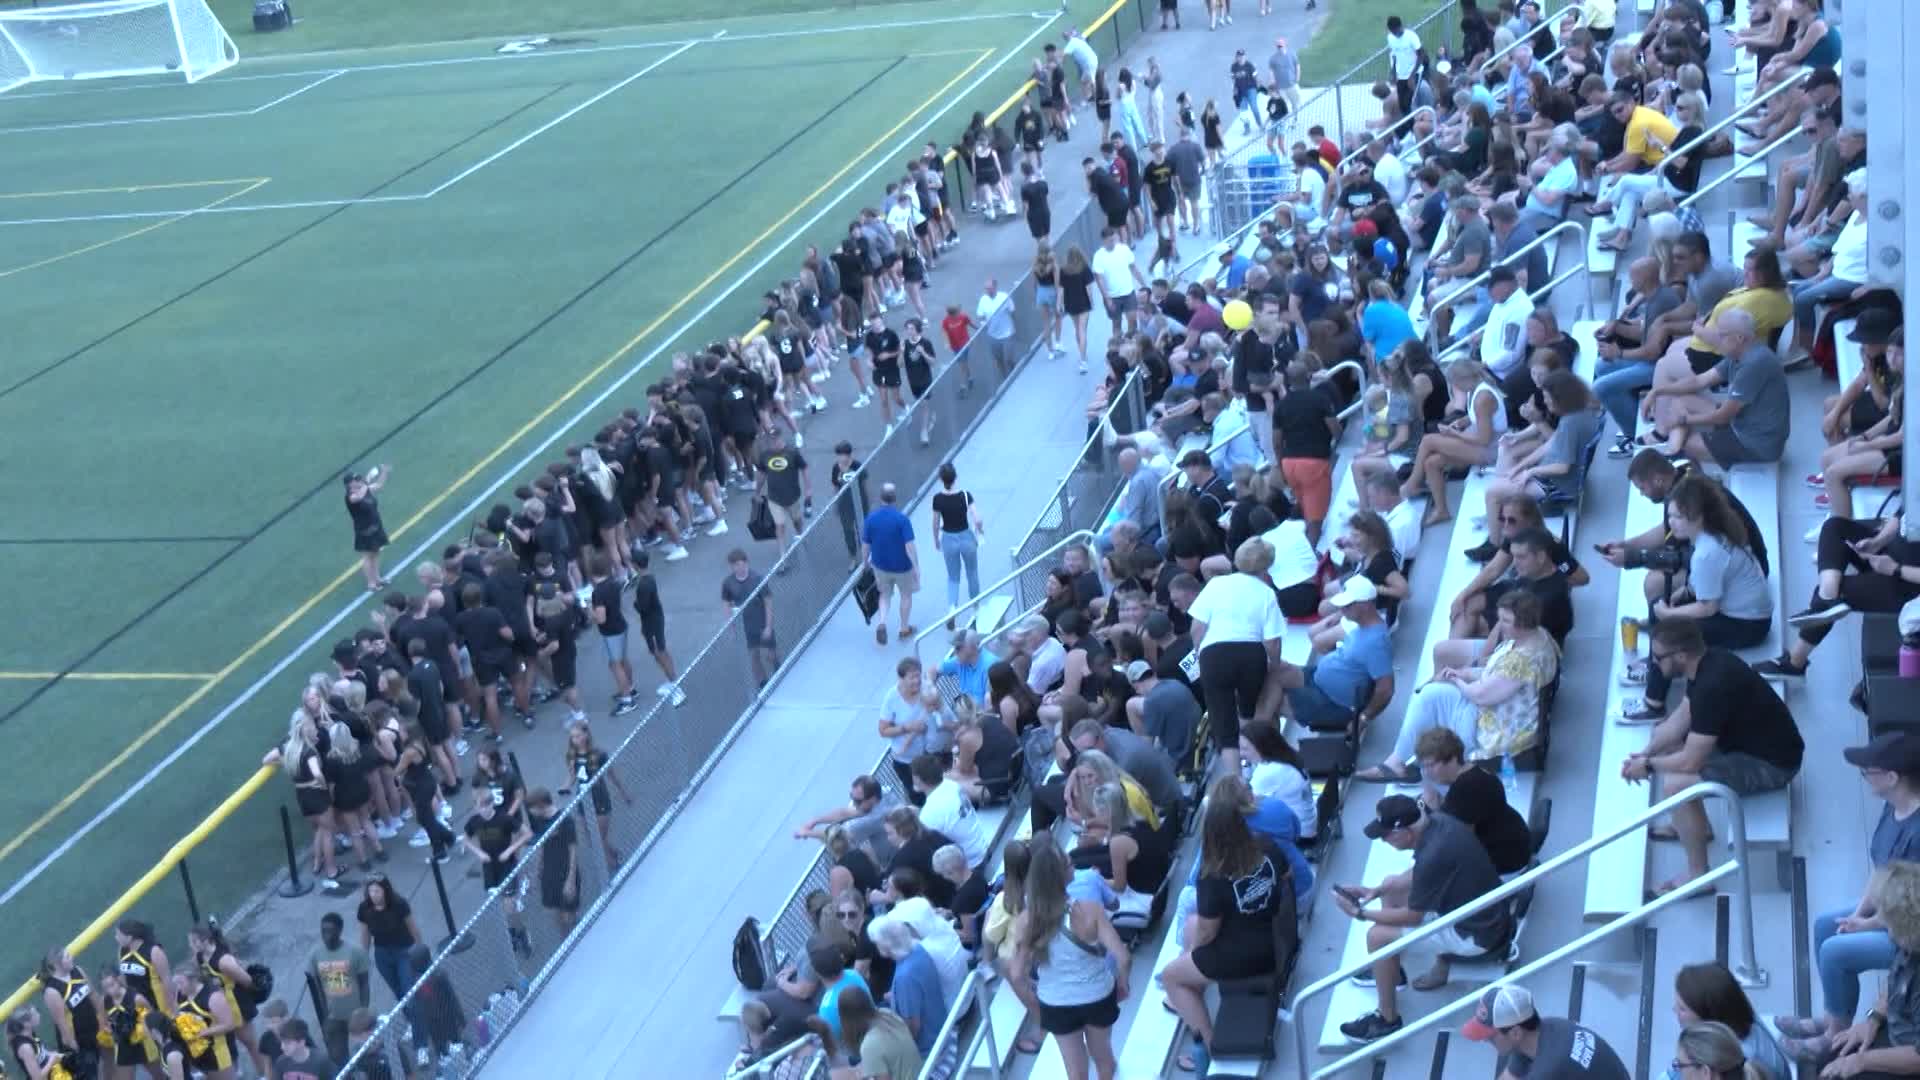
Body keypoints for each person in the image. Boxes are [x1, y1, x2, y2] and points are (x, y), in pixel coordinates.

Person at [1620, 619, 1803, 895]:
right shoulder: (1708, 661)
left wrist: (1647, 766)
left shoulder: (1712, 687)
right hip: (1743, 744)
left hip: (1772, 764)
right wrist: (1645, 754)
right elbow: (1678, 721)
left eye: (1657, 657)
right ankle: (1697, 827)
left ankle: (1698, 877)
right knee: (1667, 743)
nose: (1653, 664)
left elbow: (1690, 762)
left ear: (1680, 655)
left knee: (1675, 787)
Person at [1775, 735, 1920, 1056]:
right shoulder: (1893, 807)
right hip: (1891, 908)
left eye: (1868, 771)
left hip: (1909, 928)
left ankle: (1834, 1037)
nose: (1864, 776)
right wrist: (1858, 913)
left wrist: (1868, 925)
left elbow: (1911, 907)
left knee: (1836, 952)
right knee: (1826, 924)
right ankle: (1832, 1019)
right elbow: (1881, 871)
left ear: (1893, 778)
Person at [1336, 796, 1514, 1041]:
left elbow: (1412, 916)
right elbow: (1421, 871)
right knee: (1391, 883)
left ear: (1405, 832)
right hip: (1487, 912)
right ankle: (1391, 969)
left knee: (1376, 936)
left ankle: (1387, 1018)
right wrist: (1375, 891)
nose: (1383, 840)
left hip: (1477, 934)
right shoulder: (1438, 822)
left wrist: (1360, 913)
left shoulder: (1433, 854)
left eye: (1386, 835)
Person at [1361, 590, 1559, 784]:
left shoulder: (1522, 660)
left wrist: (1457, 680)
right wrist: (1463, 673)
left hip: (1495, 731)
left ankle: (1404, 763)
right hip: (1501, 711)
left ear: (1523, 623)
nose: (1500, 626)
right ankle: (1404, 761)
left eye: (1506, 621)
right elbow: (1498, 676)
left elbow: (1480, 695)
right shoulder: (1538, 637)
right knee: (1434, 694)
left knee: (1432, 696)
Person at [1161, 784, 1290, 1075]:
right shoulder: (1266, 845)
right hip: (1273, 934)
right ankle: (1196, 979)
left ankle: (1209, 1046)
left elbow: (1208, 933)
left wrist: (1196, 952)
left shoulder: (1214, 873)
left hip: (1245, 955)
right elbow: (1287, 877)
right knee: (1192, 926)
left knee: (1172, 976)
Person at [1623, 476, 1773, 722]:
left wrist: (1670, 614)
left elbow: (1708, 607)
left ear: (1698, 517)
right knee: (1661, 604)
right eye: (1670, 516)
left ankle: (1653, 704)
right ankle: (1655, 663)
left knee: (1668, 634)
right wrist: (1678, 598)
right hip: (1736, 610)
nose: (1671, 523)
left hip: (1748, 625)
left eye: (1678, 517)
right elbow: (1702, 586)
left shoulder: (1707, 552)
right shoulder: (1712, 533)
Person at [1009, 835, 1128, 1080]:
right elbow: (1123, 957)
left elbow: (1017, 974)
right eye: (1069, 864)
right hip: (1097, 995)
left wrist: (1038, 999)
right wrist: (1123, 982)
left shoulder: (1026, 920)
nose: (1073, 866)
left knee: (1075, 1072)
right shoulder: (1089, 910)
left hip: (1056, 1003)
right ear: (1060, 876)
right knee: (1104, 1061)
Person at [1758, 512, 1920, 681]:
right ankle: (1828, 598)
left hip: (1907, 582)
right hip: (1893, 553)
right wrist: (1876, 542)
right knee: (1834, 526)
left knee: (1842, 591)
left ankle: (1795, 662)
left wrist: (1895, 569)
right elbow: (1902, 512)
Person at [1186, 537, 1287, 777]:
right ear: (1266, 567)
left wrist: (1198, 653)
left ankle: (1235, 779)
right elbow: (1272, 641)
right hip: (1250, 655)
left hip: (1214, 655)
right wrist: (1274, 666)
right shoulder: (1266, 593)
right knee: (1248, 712)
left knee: (1222, 720)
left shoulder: (1216, 585)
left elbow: (1196, 628)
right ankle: (1255, 764)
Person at [1275, 577, 1396, 733]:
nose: (1342, 609)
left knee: (1269, 697)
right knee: (1274, 669)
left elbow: (1386, 689)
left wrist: (1364, 718)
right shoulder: (1362, 628)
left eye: (1347, 605)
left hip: (1331, 703)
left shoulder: (1376, 643)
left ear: (1365, 605)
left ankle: (1263, 748)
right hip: (1317, 680)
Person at [1412, 728, 1533, 875]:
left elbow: (1450, 838)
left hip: (1507, 859)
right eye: (1423, 766)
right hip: (1517, 841)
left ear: (1453, 759)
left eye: (1431, 765)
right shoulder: (1474, 770)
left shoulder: (1466, 788)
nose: (1426, 772)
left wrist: (1429, 797)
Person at [1459, 984, 1631, 1078]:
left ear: (1516, 1033)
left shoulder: (1548, 1069)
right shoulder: (1547, 1028)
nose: (1485, 1040)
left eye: (1491, 1037)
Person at [1659, 965, 1790, 1080]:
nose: (1674, 1010)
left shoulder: (1737, 1059)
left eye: (1682, 1008)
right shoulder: (1740, 1018)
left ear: (1708, 1015)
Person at [862, 484, 920, 645]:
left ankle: (882, 622)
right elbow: (909, 546)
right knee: (905, 595)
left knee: (884, 595)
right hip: (902, 566)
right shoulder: (902, 520)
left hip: (880, 565)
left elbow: (865, 545)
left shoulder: (871, 519)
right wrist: (916, 566)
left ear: (880, 498)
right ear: (895, 498)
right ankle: (904, 628)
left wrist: (864, 562)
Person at [308, 913, 368, 1062]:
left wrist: (363, 1011)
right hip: (332, 1017)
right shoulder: (315, 955)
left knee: (365, 1055)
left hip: (355, 1014)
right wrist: (324, 1016)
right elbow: (317, 988)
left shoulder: (355, 952)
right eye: (323, 931)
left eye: (330, 931)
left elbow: (364, 984)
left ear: (340, 930)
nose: (326, 935)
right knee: (337, 1057)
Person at [930, 462, 985, 621]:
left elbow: (935, 523)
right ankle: (976, 608)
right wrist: (979, 530)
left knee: (953, 576)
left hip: (948, 538)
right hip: (966, 537)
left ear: (941, 479)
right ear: (955, 477)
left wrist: (936, 540)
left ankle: (952, 608)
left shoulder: (937, 499)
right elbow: (978, 519)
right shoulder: (965, 495)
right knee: (972, 573)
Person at [721, 548, 780, 689]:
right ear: (731, 566)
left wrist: (768, 626)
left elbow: (768, 602)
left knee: (770, 654)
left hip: (761, 622)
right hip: (746, 627)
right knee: (754, 656)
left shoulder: (758, 579)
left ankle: (779, 670)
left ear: (746, 563)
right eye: (735, 565)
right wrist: (731, 627)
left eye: (741, 564)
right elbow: (726, 604)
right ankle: (763, 685)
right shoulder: (728, 583)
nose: (738, 568)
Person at [756, 427, 810, 556]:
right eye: (771, 439)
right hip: (774, 497)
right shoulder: (765, 455)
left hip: (792, 495)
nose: (773, 442)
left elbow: (804, 468)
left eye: (776, 438)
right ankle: (782, 556)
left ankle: (800, 534)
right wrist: (757, 492)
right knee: (779, 525)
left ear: (781, 437)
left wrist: (808, 489)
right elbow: (761, 474)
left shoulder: (792, 452)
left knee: (796, 519)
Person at [345, 466, 392, 592]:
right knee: (367, 556)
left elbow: (379, 485)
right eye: (355, 480)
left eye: (358, 479)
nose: (358, 481)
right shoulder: (351, 497)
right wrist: (365, 485)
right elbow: (358, 498)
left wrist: (384, 472)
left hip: (375, 526)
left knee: (376, 553)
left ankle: (377, 578)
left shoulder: (364, 489)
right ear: (349, 484)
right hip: (364, 530)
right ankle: (371, 583)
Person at [268, 1018, 333, 1080]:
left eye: (287, 1043)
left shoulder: (322, 1062)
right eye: (281, 1042)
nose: (282, 1047)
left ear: (301, 1042)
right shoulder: (281, 1062)